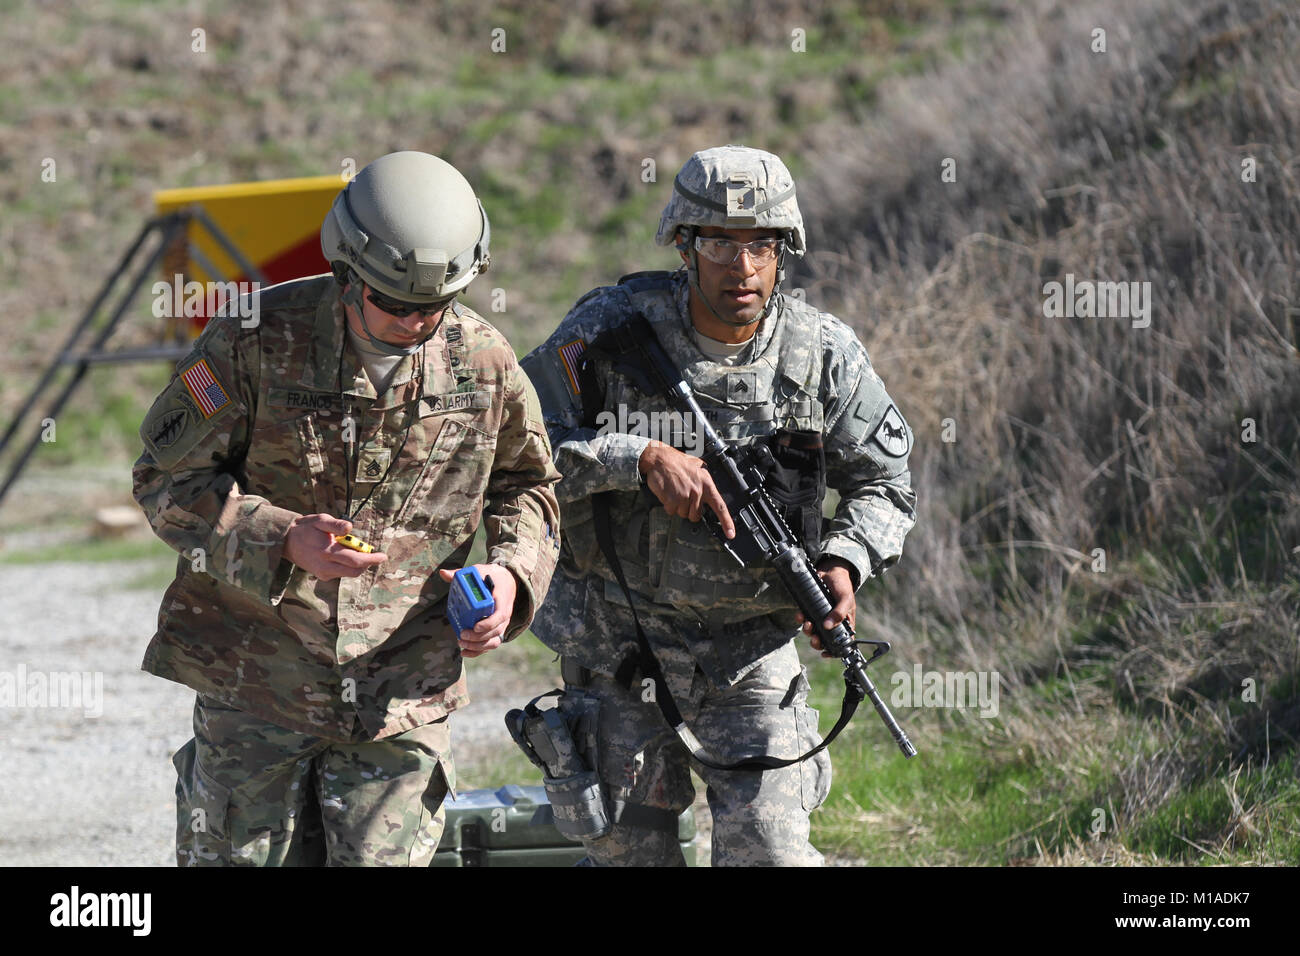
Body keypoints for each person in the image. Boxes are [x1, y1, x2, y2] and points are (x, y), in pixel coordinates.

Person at [134, 150, 561, 866]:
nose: (417, 322)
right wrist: (277, 537)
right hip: (256, 682)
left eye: (435, 304)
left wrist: (512, 578)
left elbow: (529, 487)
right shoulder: (254, 342)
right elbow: (163, 482)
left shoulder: (485, 363)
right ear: (347, 271)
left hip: (401, 692)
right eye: (395, 303)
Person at [519, 145, 916, 866]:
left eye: (760, 245)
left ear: (783, 251)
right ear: (684, 245)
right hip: (624, 646)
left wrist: (845, 563)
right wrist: (633, 459)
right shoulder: (610, 332)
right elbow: (514, 447)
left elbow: (886, 484)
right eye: (721, 244)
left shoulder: (821, 355)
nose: (742, 267)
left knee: (770, 852)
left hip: (751, 652)